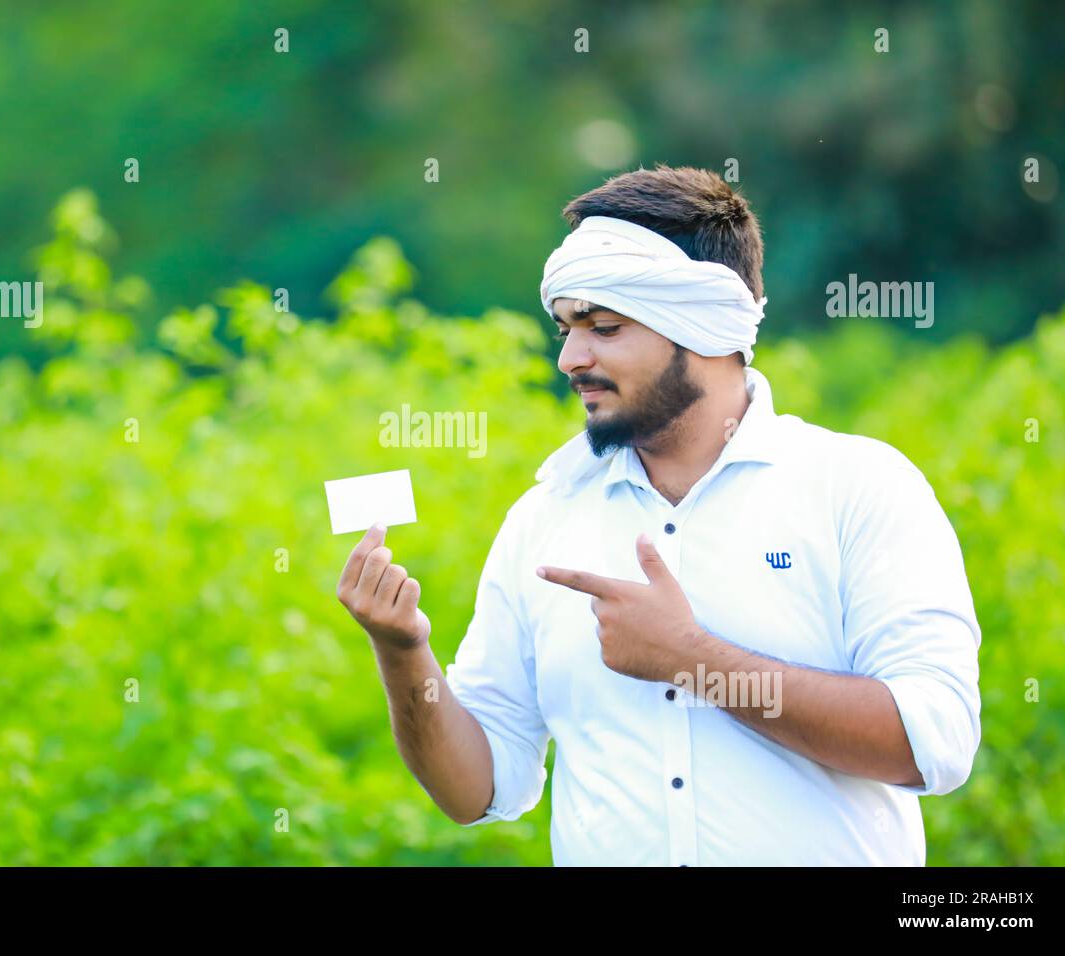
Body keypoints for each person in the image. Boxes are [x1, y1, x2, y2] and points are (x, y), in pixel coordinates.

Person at [335, 164, 981, 866]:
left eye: (604, 327)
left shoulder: (857, 487)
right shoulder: (543, 518)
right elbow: (479, 789)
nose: (571, 357)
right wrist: (403, 653)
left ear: (704, 325)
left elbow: (933, 743)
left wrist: (691, 660)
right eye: (566, 328)